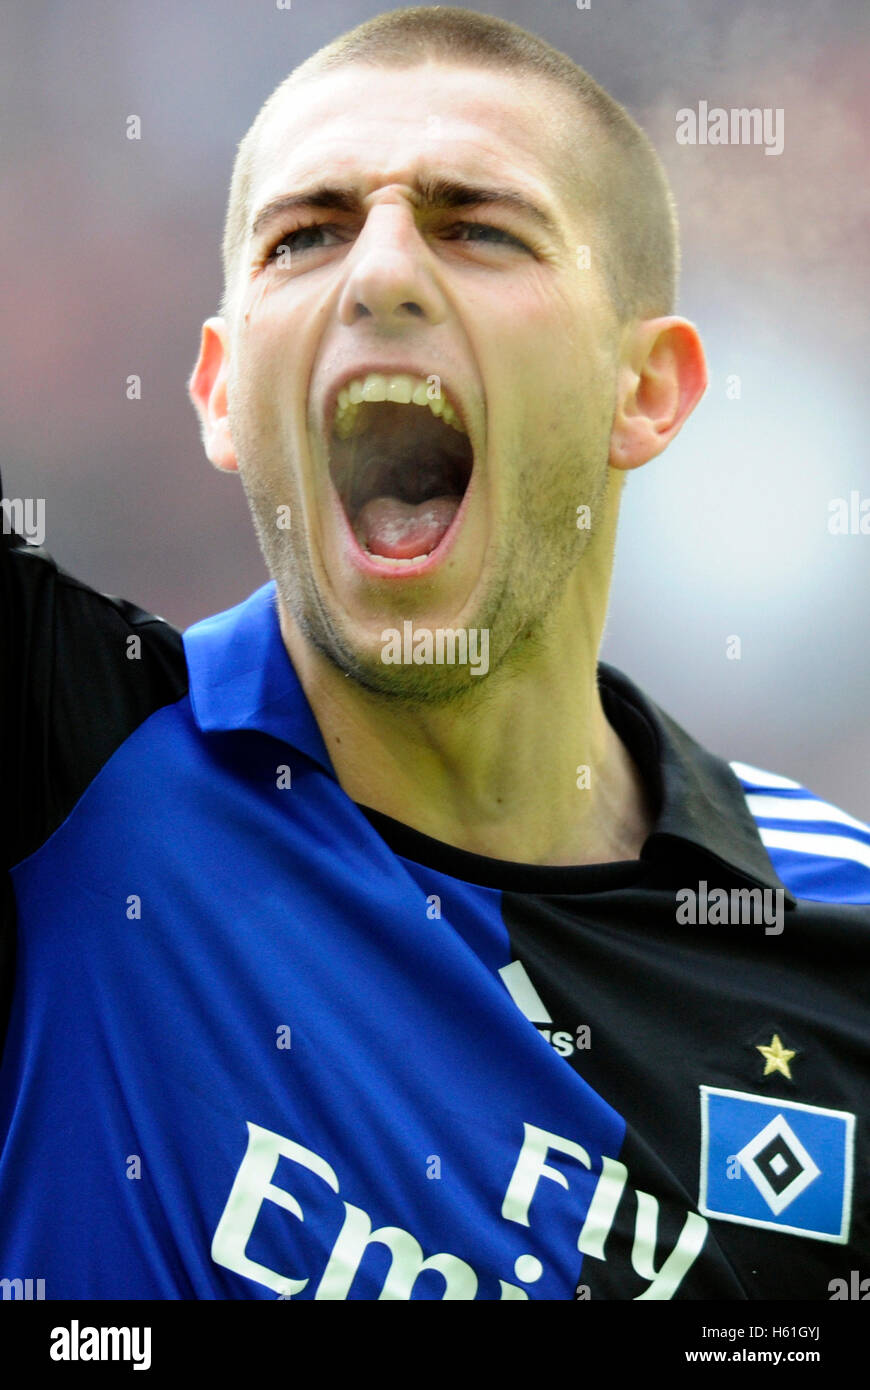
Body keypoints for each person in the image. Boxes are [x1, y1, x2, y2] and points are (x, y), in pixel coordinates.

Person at [0, 6, 866, 1301]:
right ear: (221, 394)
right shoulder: (65, 760)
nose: (381, 275)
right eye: (306, 234)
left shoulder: (835, 938)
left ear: (647, 390)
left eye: (477, 226)